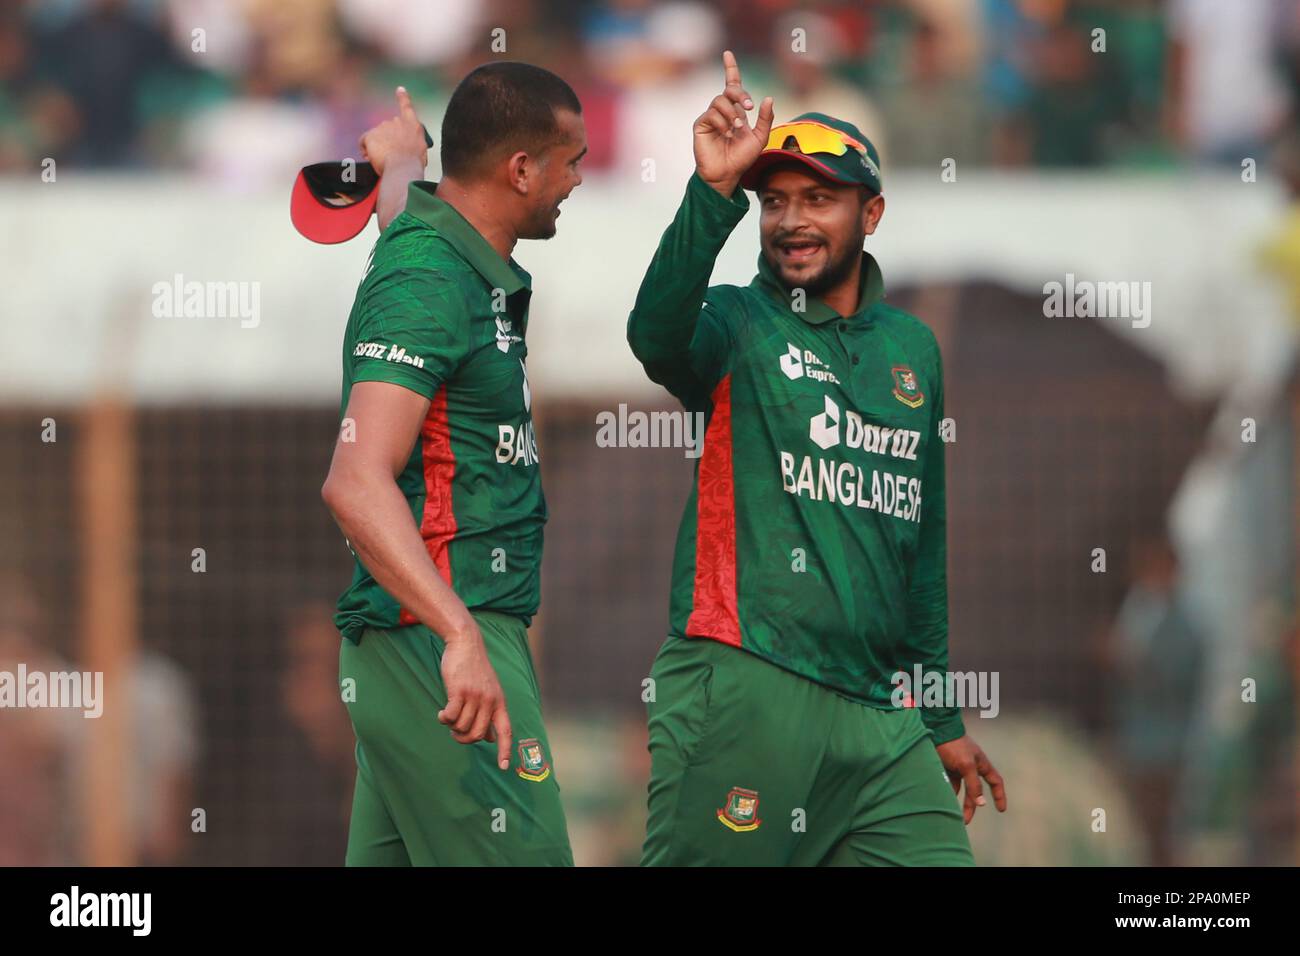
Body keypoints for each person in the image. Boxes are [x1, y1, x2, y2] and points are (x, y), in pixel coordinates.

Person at [628, 51, 1005, 866]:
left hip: (877, 714)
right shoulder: (735, 323)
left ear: (871, 214)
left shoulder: (912, 349)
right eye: (775, 201)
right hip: (744, 683)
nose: (791, 220)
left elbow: (922, 544)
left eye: (819, 199)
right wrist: (712, 194)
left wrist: (938, 716)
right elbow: (654, 335)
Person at [320, 61, 587, 866]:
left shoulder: (444, 254)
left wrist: (401, 164)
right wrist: (459, 633)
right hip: (437, 637)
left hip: (424, 640)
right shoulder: (428, 278)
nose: (577, 179)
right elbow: (353, 480)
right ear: (520, 169)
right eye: (570, 160)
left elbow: (410, 225)